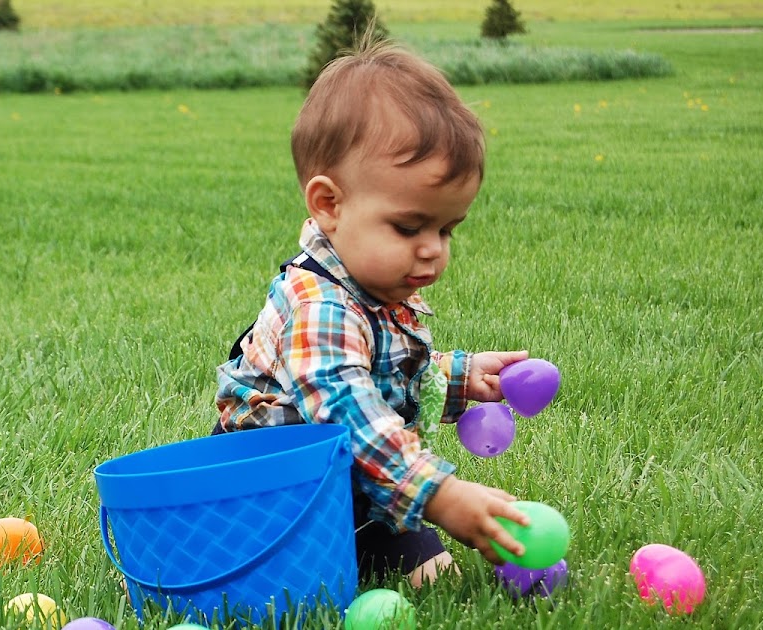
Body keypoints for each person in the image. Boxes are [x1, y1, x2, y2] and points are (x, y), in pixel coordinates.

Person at [213, 38, 532, 588]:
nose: (433, 248)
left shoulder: (375, 282)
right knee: (295, 586)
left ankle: (366, 539)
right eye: (410, 227)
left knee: (438, 578)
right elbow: (347, 408)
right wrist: (440, 494)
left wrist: (456, 377)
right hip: (272, 496)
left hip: (354, 482)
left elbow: (382, 372)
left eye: (447, 228)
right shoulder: (320, 305)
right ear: (329, 205)